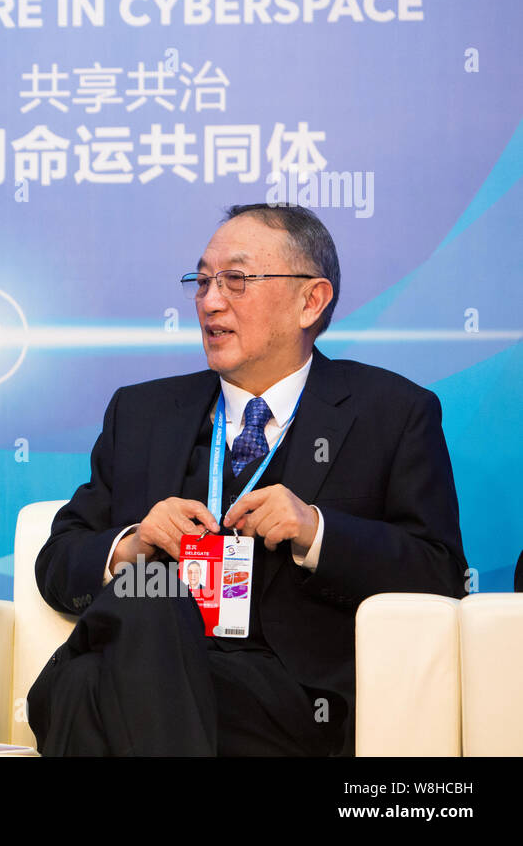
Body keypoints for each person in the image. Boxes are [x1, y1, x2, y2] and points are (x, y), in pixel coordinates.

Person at [28, 203, 465, 756]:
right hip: (153, 671)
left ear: (311, 300)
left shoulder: (392, 413)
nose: (209, 301)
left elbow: (440, 573)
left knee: (85, 683)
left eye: (236, 280)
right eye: (203, 281)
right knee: (150, 598)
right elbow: (58, 560)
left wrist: (317, 532)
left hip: (288, 698)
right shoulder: (142, 413)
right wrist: (133, 545)